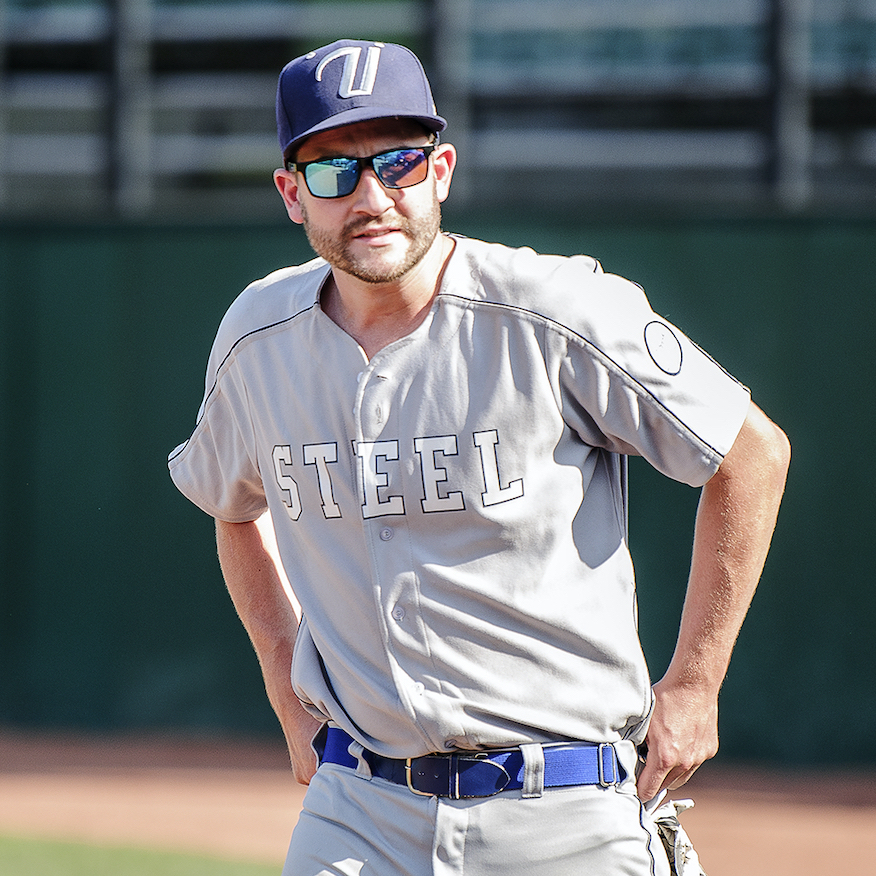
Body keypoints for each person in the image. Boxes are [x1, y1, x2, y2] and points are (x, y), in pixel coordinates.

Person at [168, 38, 790, 876]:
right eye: (334, 171)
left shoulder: (553, 309)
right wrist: (286, 683)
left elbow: (750, 452)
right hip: (361, 809)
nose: (372, 196)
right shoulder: (258, 336)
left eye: (398, 162)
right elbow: (232, 507)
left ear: (442, 172)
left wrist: (695, 684)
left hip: (564, 805)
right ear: (291, 194)